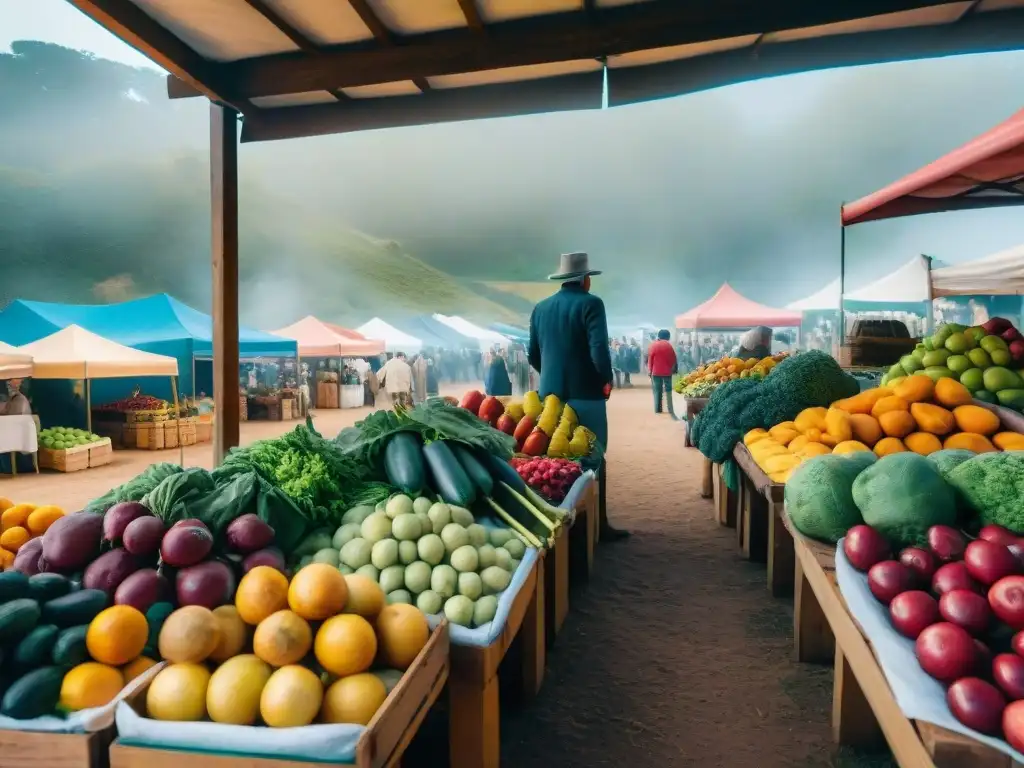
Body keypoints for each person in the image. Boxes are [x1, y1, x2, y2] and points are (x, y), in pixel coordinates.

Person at [528, 252, 627, 540]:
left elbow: (533, 354)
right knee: (593, 459)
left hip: (550, 399)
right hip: (586, 396)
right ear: (585, 280)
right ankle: (598, 526)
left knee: (555, 463)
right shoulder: (591, 304)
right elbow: (599, 351)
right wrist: (605, 380)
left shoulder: (540, 308)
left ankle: (562, 530)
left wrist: (552, 378)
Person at [647, 330, 678, 418]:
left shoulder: (653, 345)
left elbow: (650, 359)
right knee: (668, 390)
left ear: (659, 336)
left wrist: (650, 371)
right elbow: (673, 359)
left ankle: (658, 409)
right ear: (668, 337)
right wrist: (671, 368)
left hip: (656, 372)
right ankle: (670, 409)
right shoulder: (669, 346)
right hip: (667, 372)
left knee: (657, 390)